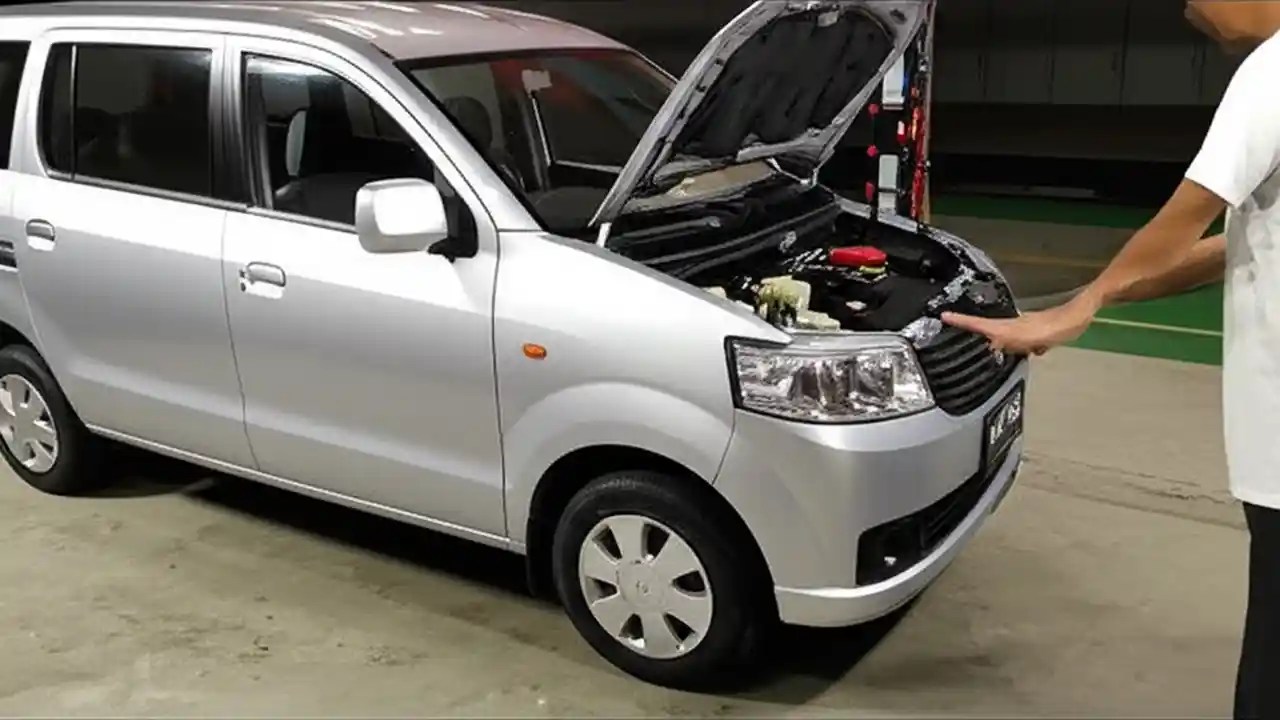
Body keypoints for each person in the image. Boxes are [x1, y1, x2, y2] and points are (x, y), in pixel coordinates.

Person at [942, 2, 1280, 717]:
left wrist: (1077, 309)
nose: (1194, 15)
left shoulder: (1271, 71)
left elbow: (1181, 221)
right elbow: (1231, 249)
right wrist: (1093, 299)